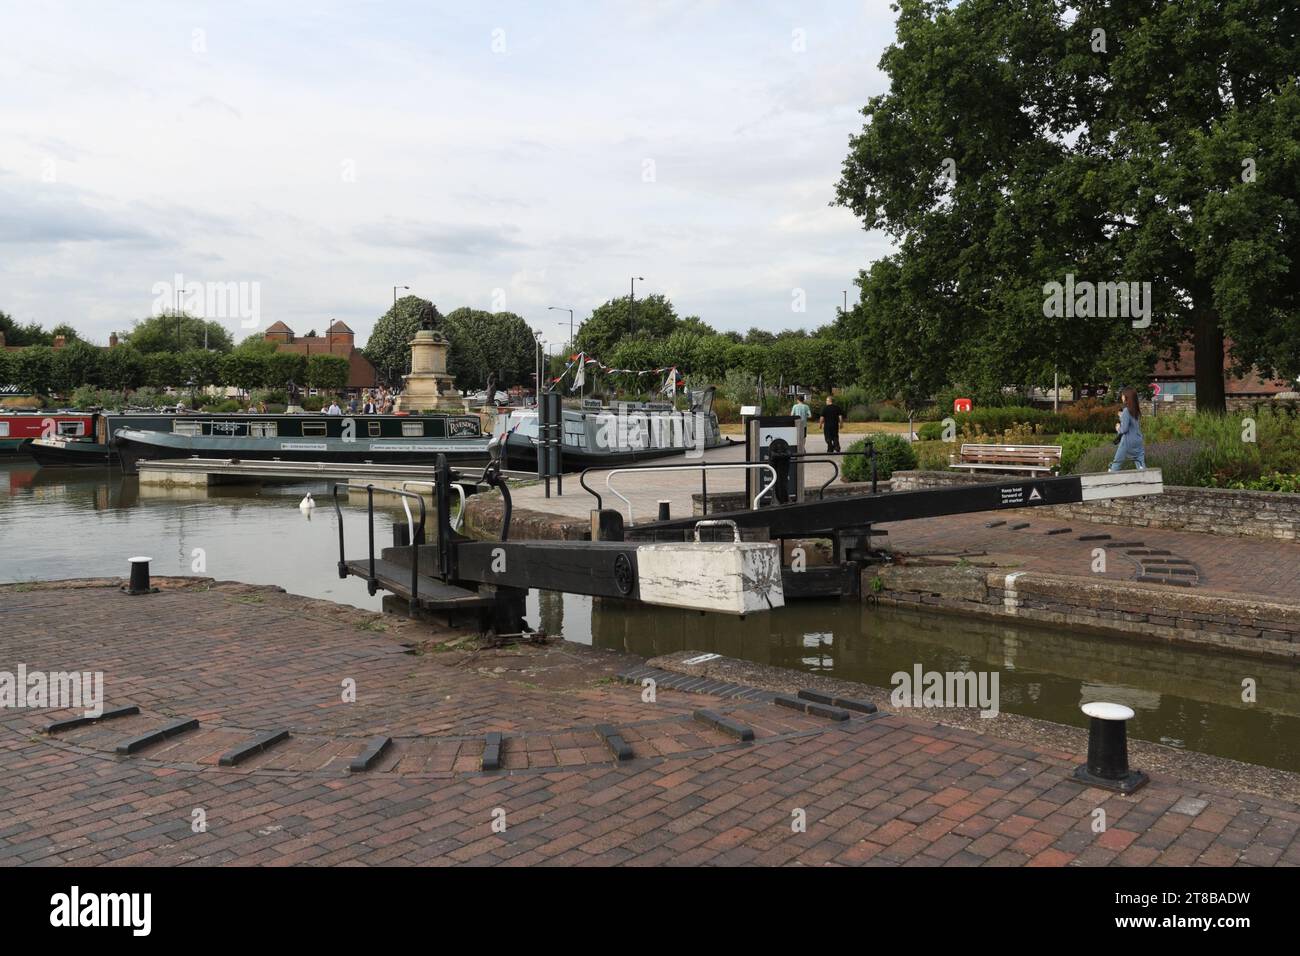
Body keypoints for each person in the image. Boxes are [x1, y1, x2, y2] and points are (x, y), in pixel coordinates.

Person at [1110, 386, 1145, 471]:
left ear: (1126, 397)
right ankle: (1148, 481)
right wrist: (1122, 417)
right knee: (1141, 465)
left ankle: (1110, 482)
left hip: (1127, 441)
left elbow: (1124, 429)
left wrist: (1118, 428)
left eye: (1122, 395)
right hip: (1138, 440)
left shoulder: (1126, 411)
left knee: (1116, 464)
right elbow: (1132, 423)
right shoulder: (1135, 410)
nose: (1121, 397)